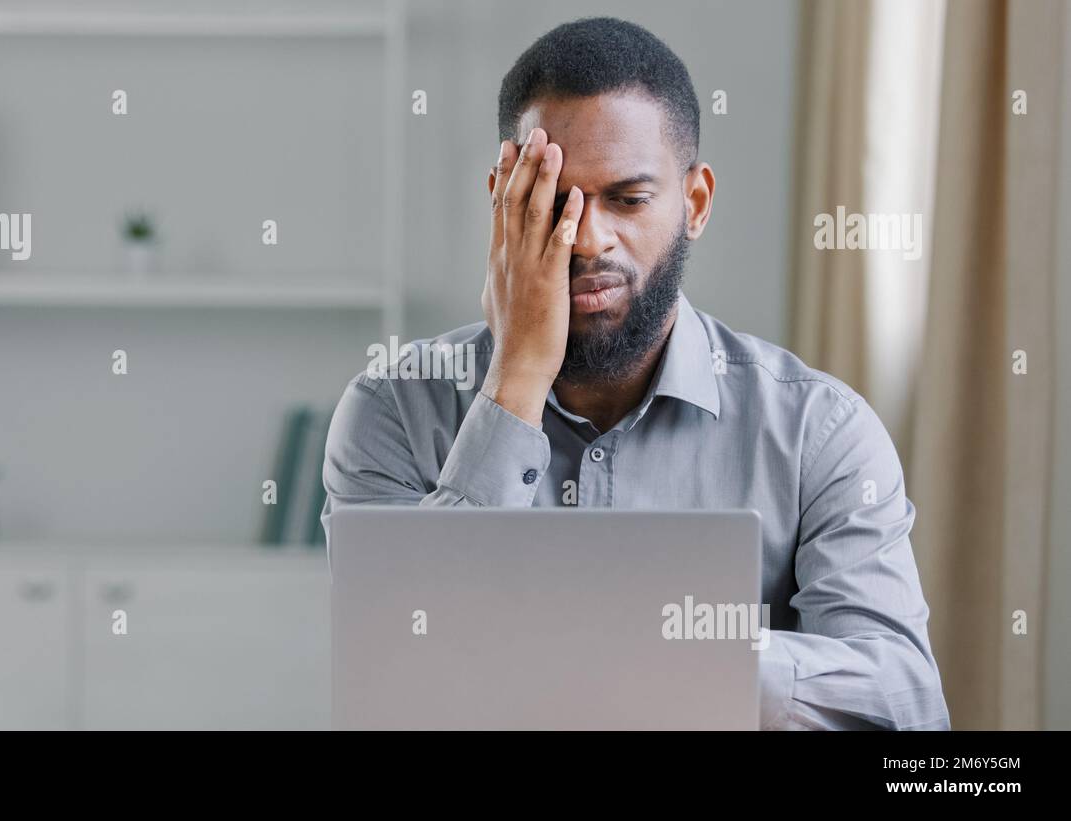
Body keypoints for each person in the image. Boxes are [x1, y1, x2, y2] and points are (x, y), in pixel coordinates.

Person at [321, 16, 949, 730]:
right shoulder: (390, 413)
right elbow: (395, 685)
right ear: (503, 201)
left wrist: (655, 651)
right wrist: (518, 374)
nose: (588, 238)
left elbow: (906, 711)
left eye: (627, 198)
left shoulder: (819, 432)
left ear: (696, 203)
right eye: (555, 200)